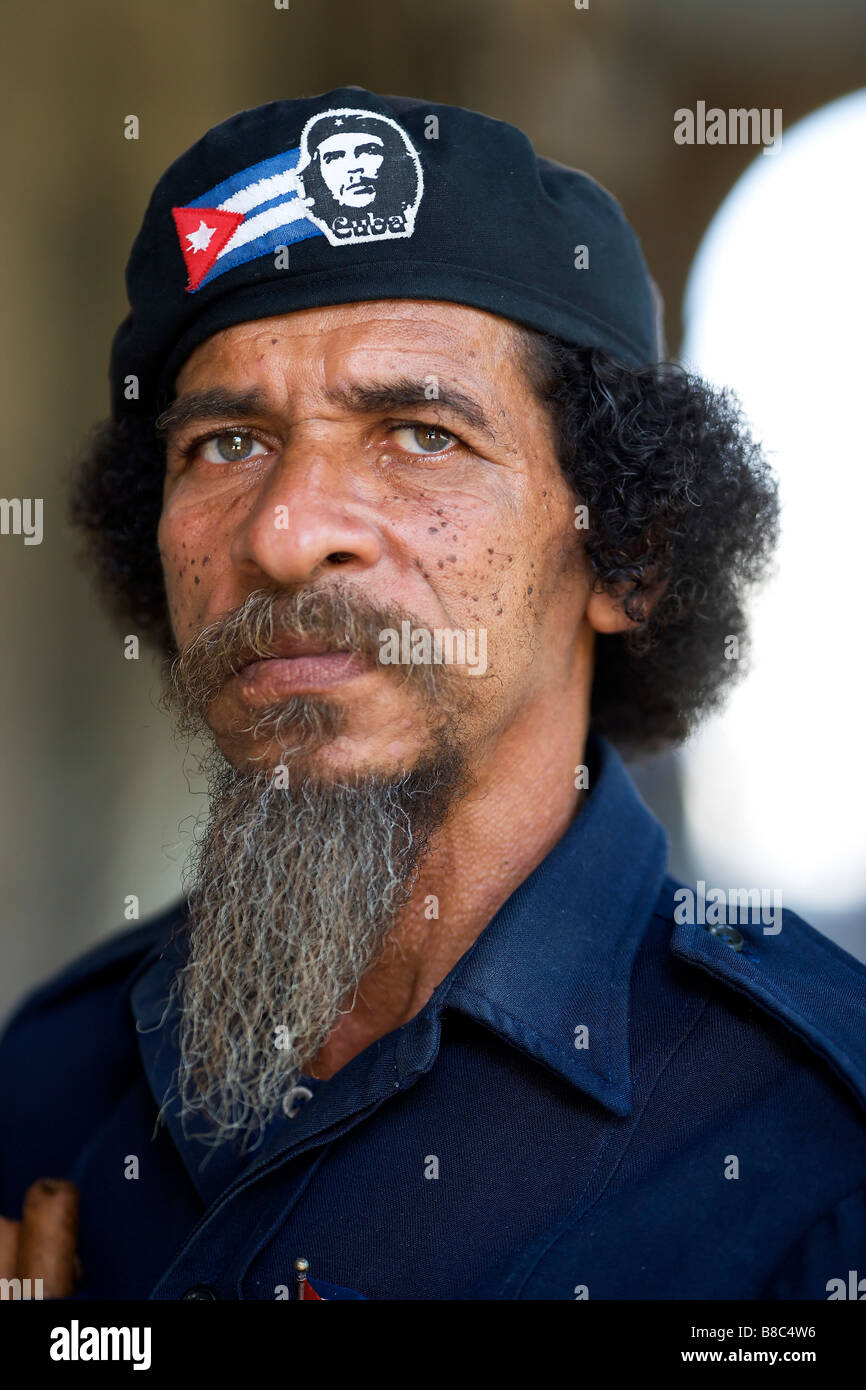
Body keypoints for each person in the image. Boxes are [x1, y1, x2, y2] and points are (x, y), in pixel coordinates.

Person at [1, 86, 864, 1302]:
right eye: (226, 445)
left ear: (626, 553)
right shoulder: (53, 1069)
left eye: (418, 433)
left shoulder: (815, 1136)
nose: (289, 532)